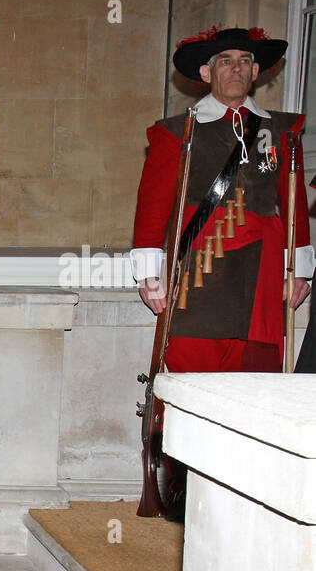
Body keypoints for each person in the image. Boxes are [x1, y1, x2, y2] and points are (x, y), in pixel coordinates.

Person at [132, 26, 311, 371]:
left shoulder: (281, 131)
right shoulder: (177, 131)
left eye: (245, 61)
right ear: (206, 72)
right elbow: (152, 207)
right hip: (198, 267)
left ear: (256, 71)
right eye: (226, 61)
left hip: (261, 267)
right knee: (190, 373)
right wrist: (149, 275)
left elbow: (294, 205)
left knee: (255, 381)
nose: (237, 69)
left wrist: (299, 271)